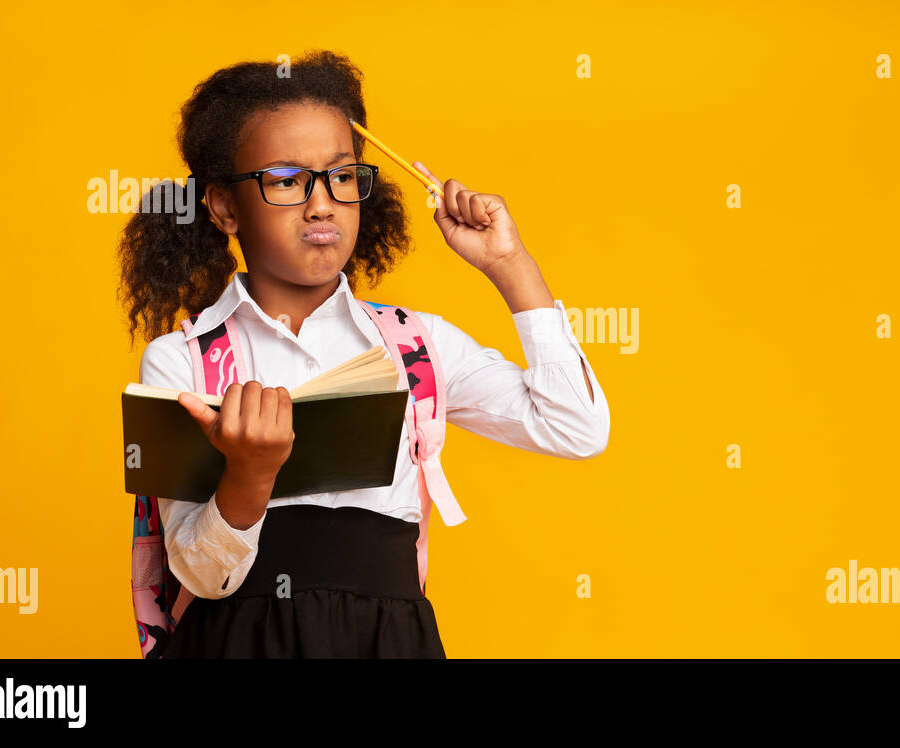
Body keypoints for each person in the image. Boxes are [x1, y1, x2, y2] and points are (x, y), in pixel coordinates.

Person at [118, 50, 610, 658]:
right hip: (236, 642)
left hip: (390, 644)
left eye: (342, 175)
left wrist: (511, 266)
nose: (322, 202)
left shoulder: (417, 346)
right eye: (286, 180)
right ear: (223, 208)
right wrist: (248, 476)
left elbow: (576, 427)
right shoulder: (183, 360)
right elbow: (198, 575)